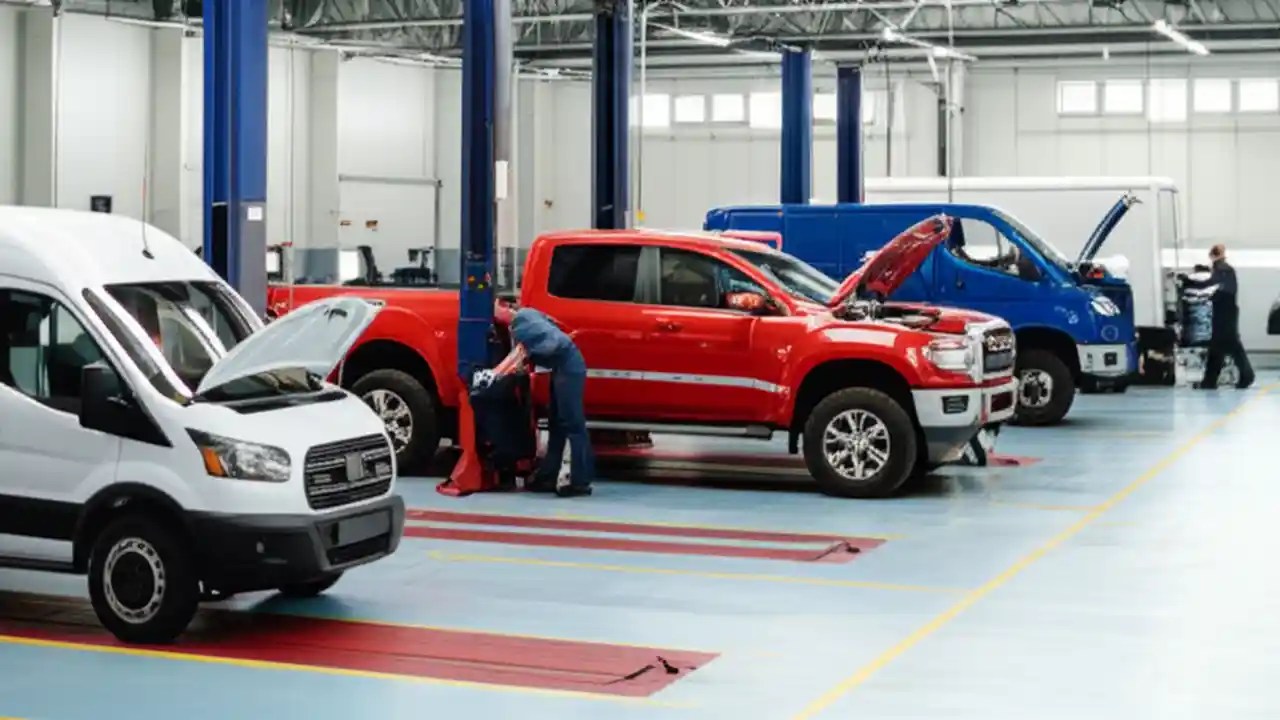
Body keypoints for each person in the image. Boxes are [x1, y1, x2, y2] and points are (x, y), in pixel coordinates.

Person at [500, 308, 594, 497]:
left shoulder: (520, 328)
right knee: (557, 424)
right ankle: (548, 476)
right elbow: (555, 325)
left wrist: (525, 358)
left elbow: (552, 345)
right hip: (564, 365)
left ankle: (579, 481)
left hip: (567, 366)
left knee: (572, 424)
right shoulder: (528, 313)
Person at [1180, 244, 1255, 390]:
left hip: (1224, 313)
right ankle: (1211, 380)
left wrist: (1189, 282)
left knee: (1228, 345)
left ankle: (1244, 376)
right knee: (1219, 347)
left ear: (1212, 255)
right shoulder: (1225, 269)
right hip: (1226, 311)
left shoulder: (1222, 268)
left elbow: (1209, 283)